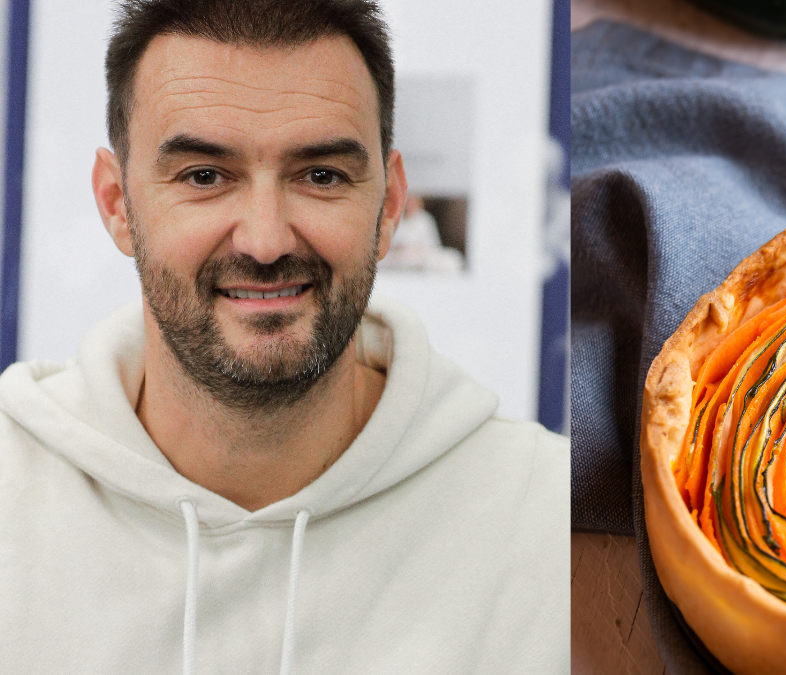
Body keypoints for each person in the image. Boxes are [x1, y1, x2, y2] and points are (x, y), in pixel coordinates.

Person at [0, 1, 567, 673]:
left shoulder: (550, 517)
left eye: (320, 175)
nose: (265, 240)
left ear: (388, 208)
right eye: (205, 176)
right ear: (118, 204)